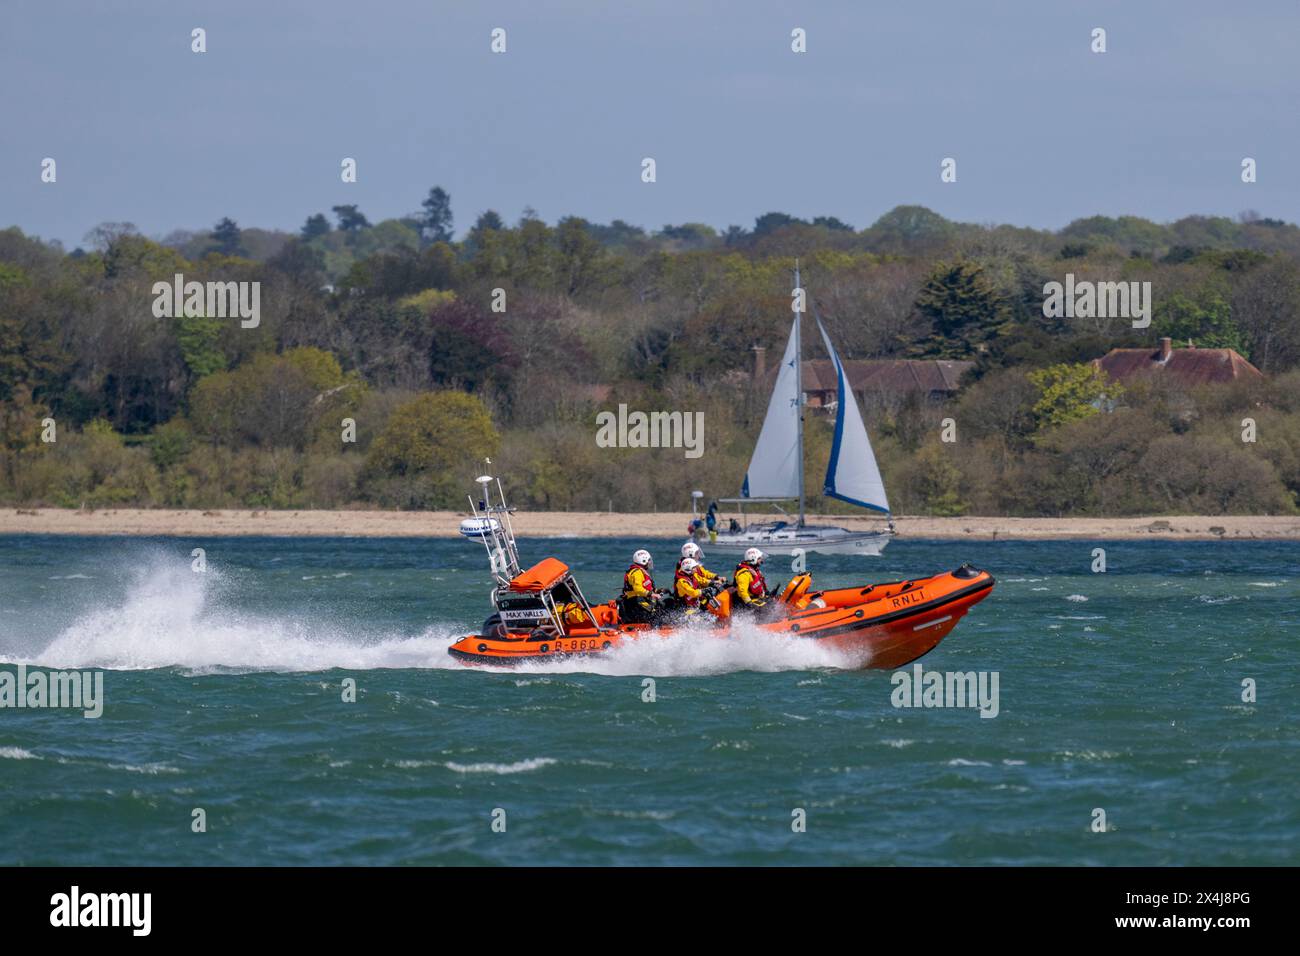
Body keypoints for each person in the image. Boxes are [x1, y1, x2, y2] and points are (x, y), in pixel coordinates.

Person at [620, 549, 661, 624]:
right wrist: (652, 594)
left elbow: (646, 587)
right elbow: (638, 589)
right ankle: (657, 632)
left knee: (660, 609)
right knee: (655, 615)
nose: (649, 562)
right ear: (643, 561)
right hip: (635, 603)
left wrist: (658, 591)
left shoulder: (641, 571)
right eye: (648, 560)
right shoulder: (637, 573)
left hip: (641, 601)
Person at [732, 547, 771, 613]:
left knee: (771, 602)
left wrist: (767, 594)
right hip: (745, 603)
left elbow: (760, 585)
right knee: (765, 610)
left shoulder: (755, 571)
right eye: (759, 558)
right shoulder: (744, 573)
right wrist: (750, 604)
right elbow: (742, 591)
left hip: (755, 598)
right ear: (753, 559)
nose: (761, 561)